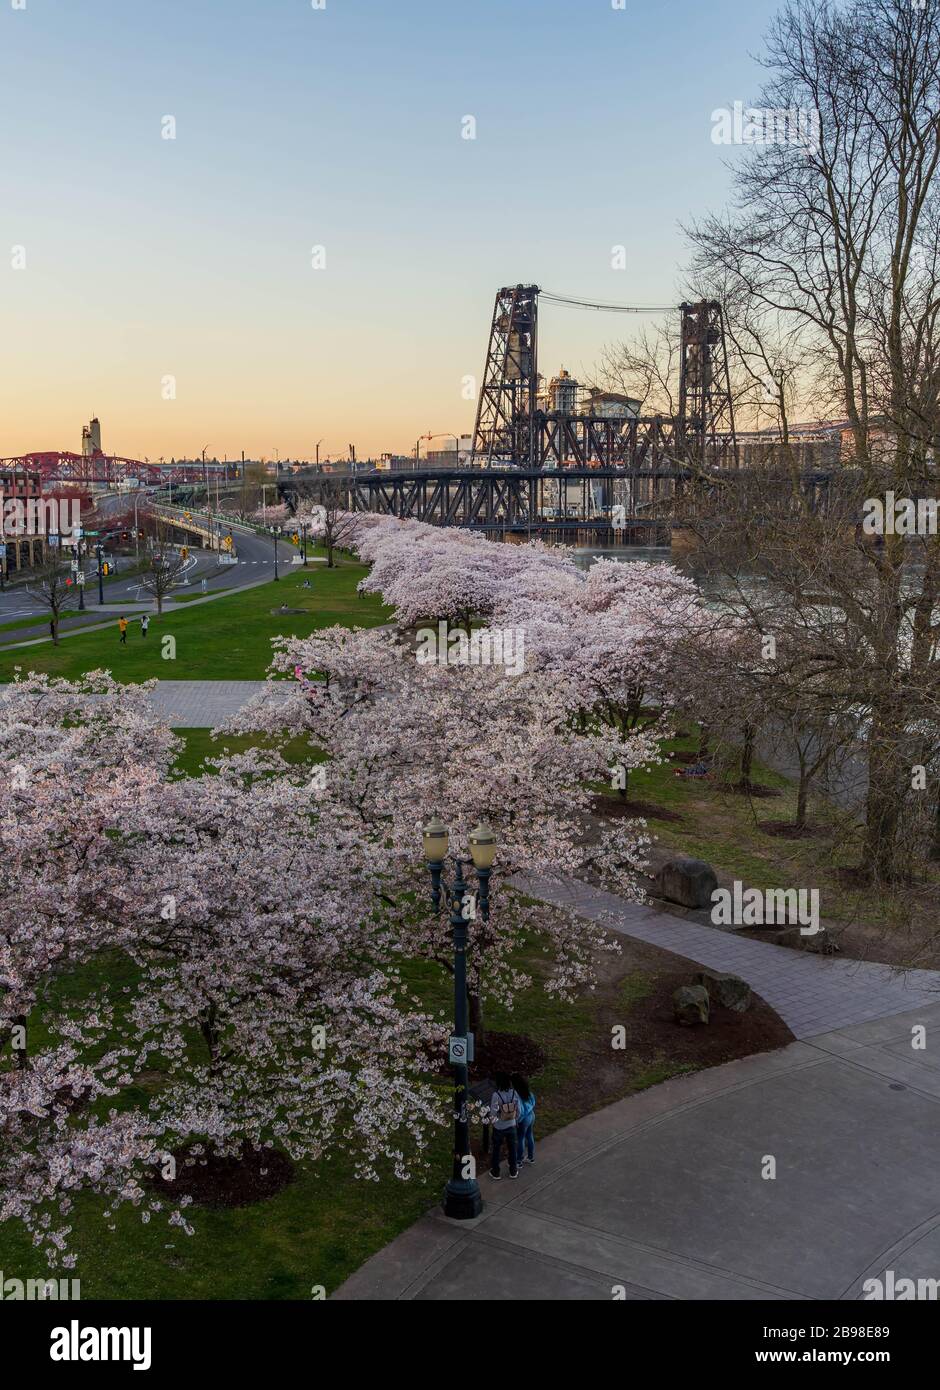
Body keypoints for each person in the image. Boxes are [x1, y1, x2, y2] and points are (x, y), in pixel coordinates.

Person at [488, 1072, 519, 1180]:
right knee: (512, 1148)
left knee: (496, 1149)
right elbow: (518, 1109)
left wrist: (493, 1121)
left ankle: (496, 1172)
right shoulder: (514, 1093)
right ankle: (513, 1171)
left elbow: (493, 1112)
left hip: (499, 1126)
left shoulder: (496, 1095)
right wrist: (515, 1119)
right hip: (512, 1124)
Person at [512, 1073, 536, 1166]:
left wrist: (517, 1121)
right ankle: (530, 1157)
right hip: (531, 1115)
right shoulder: (528, 1092)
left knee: (521, 1138)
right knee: (530, 1135)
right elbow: (533, 1102)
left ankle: (518, 1161)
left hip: (524, 1119)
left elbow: (520, 1111)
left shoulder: (516, 1095)